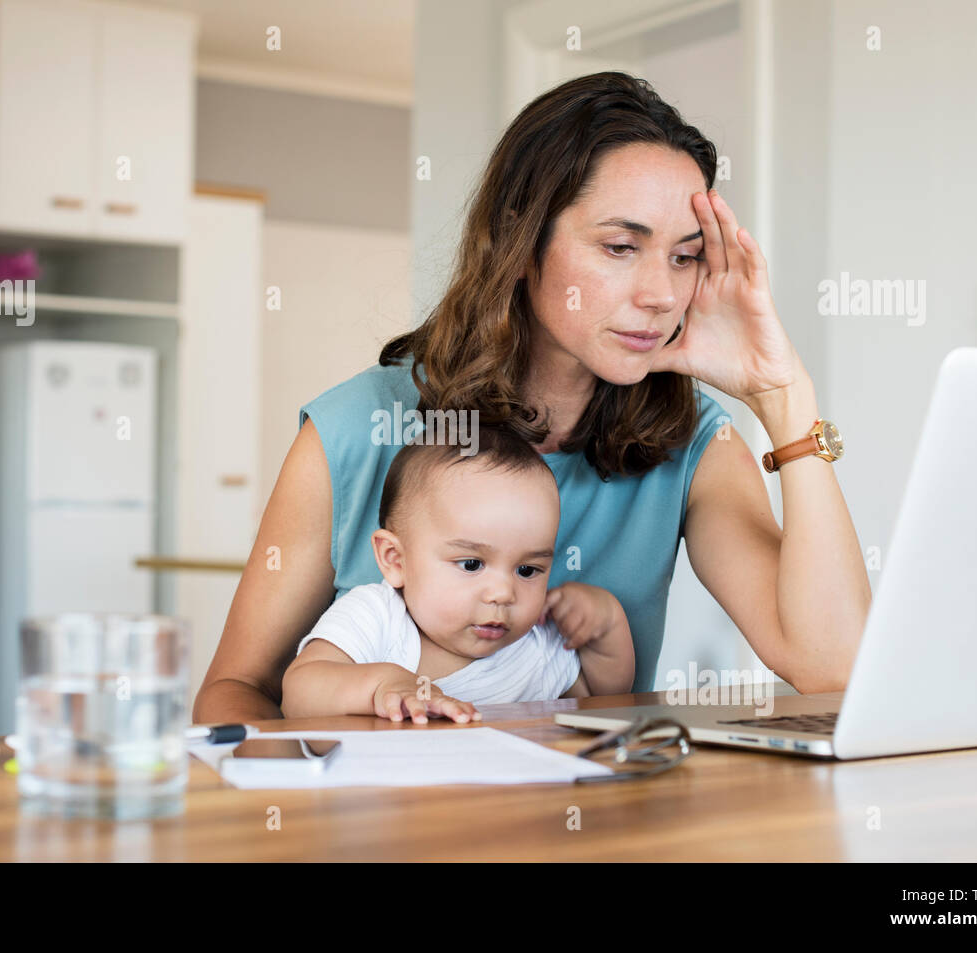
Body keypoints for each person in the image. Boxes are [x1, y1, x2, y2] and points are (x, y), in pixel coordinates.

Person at [193, 71, 871, 724]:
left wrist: (784, 395)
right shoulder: (354, 428)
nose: (661, 295)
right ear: (520, 243)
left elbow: (834, 670)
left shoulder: (693, 441)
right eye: (619, 247)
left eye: (685, 256)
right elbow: (234, 690)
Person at [280, 424, 636, 724]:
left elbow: (604, 700)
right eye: (471, 564)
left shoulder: (535, 648)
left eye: (527, 570)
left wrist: (608, 622)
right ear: (395, 559)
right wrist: (381, 685)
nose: (502, 593)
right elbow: (299, 692)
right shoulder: (378, 617)